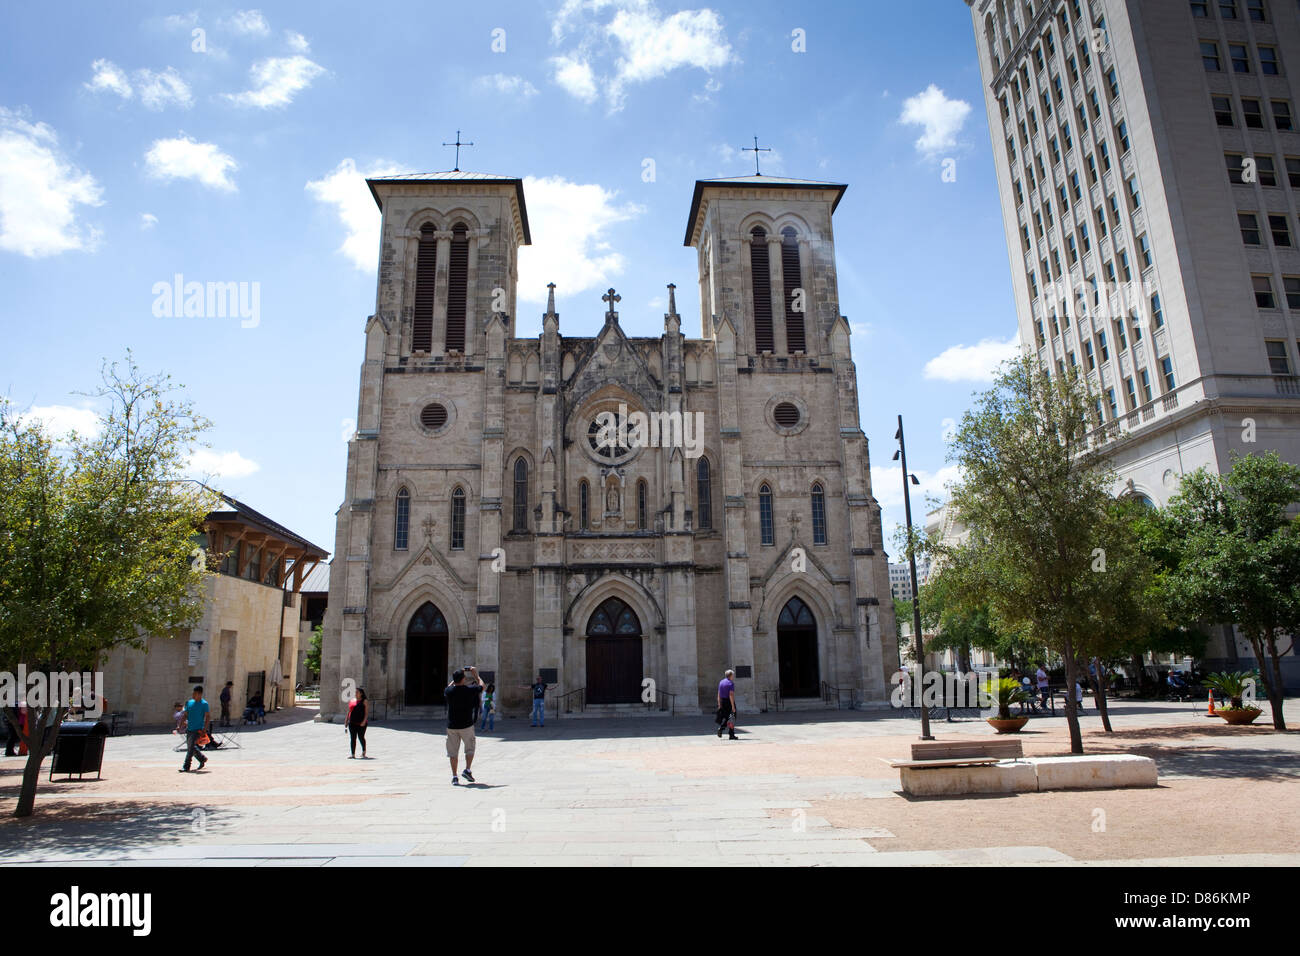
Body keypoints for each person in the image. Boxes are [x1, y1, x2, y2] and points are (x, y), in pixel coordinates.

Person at [445, 667, 485, 785]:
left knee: (453, 753)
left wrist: (455, 678)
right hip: (466, 725)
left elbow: (448, 686)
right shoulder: (469, 690)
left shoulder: (449, 691)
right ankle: (467, 769)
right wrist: (476, 675)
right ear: (463, 679)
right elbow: (482, 686)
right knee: (470, 749)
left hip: (452, 726)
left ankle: (454, 776)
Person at [180, 685, 210, 773]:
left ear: (200, 694)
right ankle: (202, 758)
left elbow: (207, 716)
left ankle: (186, 766)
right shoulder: (189, 703)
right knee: (191, 747)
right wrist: (181, 724)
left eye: (195, 693)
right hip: (190, 728)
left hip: (198, 729)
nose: (193, 695)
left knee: (190, 748)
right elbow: (185, 714)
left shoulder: (204, 704)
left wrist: (205, 728)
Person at [716, 669, 738, 740]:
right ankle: (731, 734)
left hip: (722, 701)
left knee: (727, 717)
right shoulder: (730, 683)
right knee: (732, 717)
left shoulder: (721, 682)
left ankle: (722, 729)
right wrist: (733, 706)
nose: (733, 677)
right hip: (729, 702)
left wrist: (719, 703)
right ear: (730, 675)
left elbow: (719, 694)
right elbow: (731, 695)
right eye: (733, 675)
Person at [346, 687, 368, 758]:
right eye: (355, 692)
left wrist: (364, 721)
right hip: (352, 722)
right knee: (353, 738)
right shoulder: (352, 700)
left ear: (361, 693)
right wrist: (346, 720)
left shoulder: (364, 701)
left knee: (361, 737)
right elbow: (349, 711)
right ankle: (353, 754)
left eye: (357, 692)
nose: (355, 693)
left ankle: (363, 752)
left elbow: (366, 713)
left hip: (361, 723)